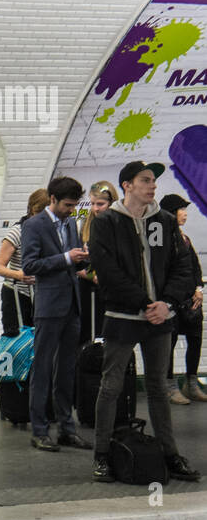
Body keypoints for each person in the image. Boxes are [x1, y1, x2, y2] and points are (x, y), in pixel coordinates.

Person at [88, 163, 200, 483]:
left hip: (160, 318)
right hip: (123, 317)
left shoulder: (164, 221)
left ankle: (169, 453)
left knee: (158, 388)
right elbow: (106, 270)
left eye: (153, 181)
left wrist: (166, 304)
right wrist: (144, 302)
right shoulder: (107, 221)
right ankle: (102, 454)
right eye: (145, 180)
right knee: (111, 386)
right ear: (127, 185)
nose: (152, 186)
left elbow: (183, 269)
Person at [21, 176, 89, 453]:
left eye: (74, 205)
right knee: (43, 368)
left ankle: (66, 428)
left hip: (71, 303)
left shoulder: (71, 222)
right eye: (67, 205)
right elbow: (29, 265)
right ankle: (39, 430)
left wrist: (82, 257)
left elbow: (72, 260)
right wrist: (66, 259)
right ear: (52, 199)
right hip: (49, 307)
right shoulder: (33, 225)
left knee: (67, 369)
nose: (71, 210)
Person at [158, 194, 204, 403]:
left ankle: (191, 383)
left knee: (195, 338)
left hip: (190, 302)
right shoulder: (162, 240)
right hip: (172, 301)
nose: (185, 214)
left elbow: (195, 267)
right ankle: (169, 385)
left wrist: (198, 288)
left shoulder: (185, 239)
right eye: (181, 209)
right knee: (171, 340)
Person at [0, 188, 48, 338]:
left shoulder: (50, 233)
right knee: (17, 340)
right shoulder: (17, 231)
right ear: (31, 210)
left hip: (40, 294)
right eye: (38, 213)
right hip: (16, 293)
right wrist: (18, 274)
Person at [77, 181, 118, 343]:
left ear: (112, 203)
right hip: (88, 290)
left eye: (100, 204)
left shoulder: (120, 224)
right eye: (93, 204)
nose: (95, 208)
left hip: (111, 291)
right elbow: (77, 264)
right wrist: (91, 274)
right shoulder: (85, 224)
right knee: (87, 336)